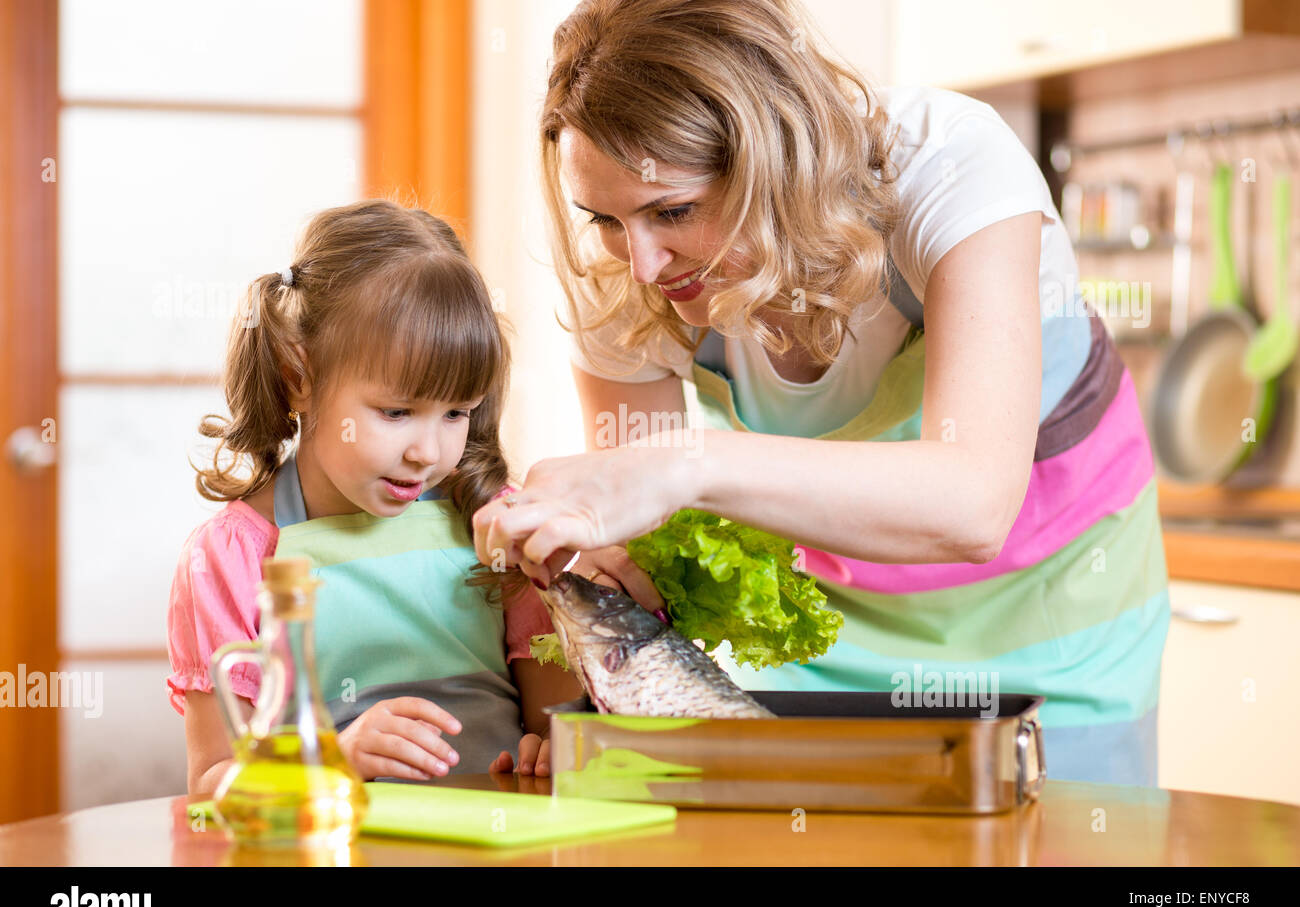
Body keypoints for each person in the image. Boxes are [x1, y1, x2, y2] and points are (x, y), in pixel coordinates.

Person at [473, 0, 1170, 786]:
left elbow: (974, 502)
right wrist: (585, 577)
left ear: (773, 156)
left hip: (1051, 624)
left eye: (674, 210)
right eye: (603, 218)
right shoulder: (627, 276)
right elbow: (645, 560)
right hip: (824, 642)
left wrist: (686, 464)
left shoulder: (949, 168)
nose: (640, 264)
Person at [166, 199, 585, 793]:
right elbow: (212, 779)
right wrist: (330, 758)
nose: (427, 452)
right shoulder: (230, 557)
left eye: (456, 412)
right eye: (396, 411)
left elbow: (558, 730)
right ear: (298, 377)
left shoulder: (491, 521)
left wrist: (550, 752)